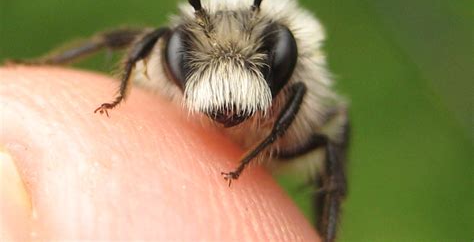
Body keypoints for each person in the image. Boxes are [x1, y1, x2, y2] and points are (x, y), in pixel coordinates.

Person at [1, 66, 319, 241]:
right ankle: (41, 61)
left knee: (334, 131)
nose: (228, 92)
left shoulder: (296, 94)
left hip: (280, 150)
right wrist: (120, 96)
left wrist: (255, 154)